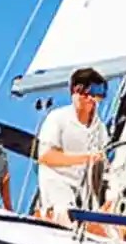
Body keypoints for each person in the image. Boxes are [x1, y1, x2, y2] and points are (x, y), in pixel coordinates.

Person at [35, 68, 110, 226]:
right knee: (66, 217)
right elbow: (46, 156)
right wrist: (86, 158)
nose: (89, 99)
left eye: (95, 94)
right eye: (84, 93)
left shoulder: (100, 128)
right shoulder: (57, 118)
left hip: (85, 193)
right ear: (74, 92)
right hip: (57, 188)